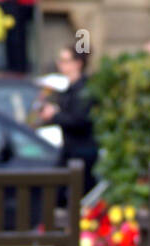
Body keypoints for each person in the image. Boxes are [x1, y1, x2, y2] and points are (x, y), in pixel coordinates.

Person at [40, 45, 98, 195]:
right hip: (69, 149)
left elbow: (80, 120)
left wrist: (54, 115)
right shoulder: (67, 88)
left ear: (77, 63)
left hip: (83, 152)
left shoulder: (85, 89)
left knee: (78, 195)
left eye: (65, 60)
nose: (61, 65)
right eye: (60, 61)